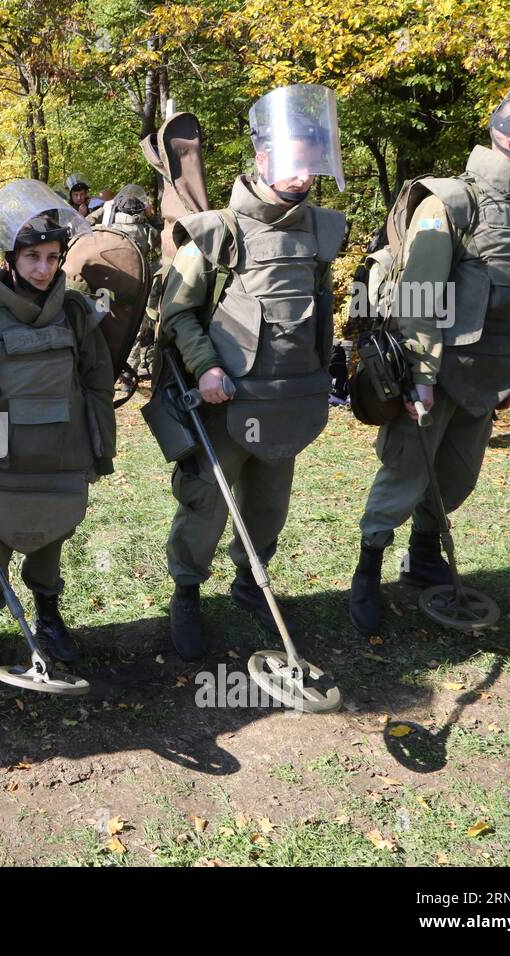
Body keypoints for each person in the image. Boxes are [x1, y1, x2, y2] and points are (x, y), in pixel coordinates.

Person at [349, 67, 510, 633]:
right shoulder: (450, 202)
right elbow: (419, 296)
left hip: (487, 373)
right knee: (405, 475)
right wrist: (417, 375)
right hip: (434, 374)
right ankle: (367, 571)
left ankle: (423, 558)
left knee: (457, 477)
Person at [153, 85, 348, 659]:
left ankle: (250, 584)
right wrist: (207, 368)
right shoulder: (216, 231)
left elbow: (320, 311)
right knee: (206, 506)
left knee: (268, 507)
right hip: (224, 400)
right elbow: (177, 315)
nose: (303, 173)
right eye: (291, 159)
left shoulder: (320, 232)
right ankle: (186, 593)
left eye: (311, 161)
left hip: (287, 399)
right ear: (262, 158)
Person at [0, 179, 117, 686]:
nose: (43, 268)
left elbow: (96, 386)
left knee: (50, 543)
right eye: (32, 256)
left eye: (53, 256)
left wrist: (99, 454)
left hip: (60, 459)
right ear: (10, 260)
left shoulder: (79, 315)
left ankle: (49, 616)